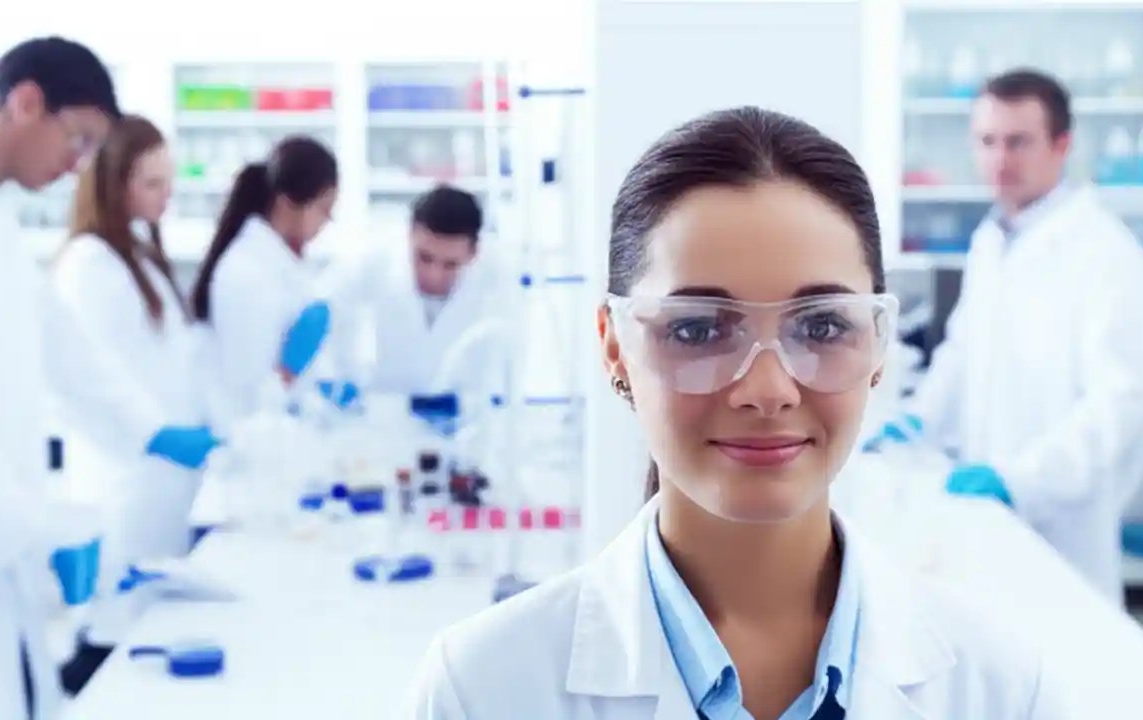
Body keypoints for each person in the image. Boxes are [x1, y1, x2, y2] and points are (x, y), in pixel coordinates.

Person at [408, 107, 1067, 718]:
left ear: (879, 344)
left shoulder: (1003, 693)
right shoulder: (482, 690)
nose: (768, 388)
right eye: (697, 329)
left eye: (822, 326)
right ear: (615, 346)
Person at [886, 69, 1143, 604]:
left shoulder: (1103, 250)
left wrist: (1022, 480)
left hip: (1061, 518)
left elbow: (1117, 405)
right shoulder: (992, 238)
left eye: (1018, 142)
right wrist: (917, 417)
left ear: (1062, 146)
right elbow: (962, 351)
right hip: (989, 511)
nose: (999, 159)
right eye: (987, 141)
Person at [0, 37, 119, 720]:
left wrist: (158, 431)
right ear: (27, 102)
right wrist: (38, 530)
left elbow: (69, 355)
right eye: (78, 137)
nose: (79, 164)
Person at [49, 116, 220, 690]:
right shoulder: (90, 264)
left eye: (167, 181)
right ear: (114, 182)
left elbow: (174, 359)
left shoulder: (139, 255)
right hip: (123, 477)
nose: (165, 194)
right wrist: (156, 434)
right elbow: (90, 379)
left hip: (161, 481)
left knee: (146, 643)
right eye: (152, 183)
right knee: (109, 646)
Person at [293, 185, 509, 400]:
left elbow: (513, 356)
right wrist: (336, 376)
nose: (434, 275)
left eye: (451, 264)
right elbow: (324, 305)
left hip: (467, 417)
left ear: (474, 252)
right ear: (410, 235)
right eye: (423, 257)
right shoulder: (377, 257)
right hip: (388, 414)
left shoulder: (498, 274)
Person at [190, 136, 339, 428]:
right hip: (254, 448)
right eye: (323, 209)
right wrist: (289, 370)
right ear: (287, 204)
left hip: (282, 438)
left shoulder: (281, 263)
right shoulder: (246, 274)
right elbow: (246, 398)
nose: (327, 221)